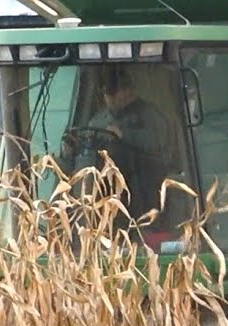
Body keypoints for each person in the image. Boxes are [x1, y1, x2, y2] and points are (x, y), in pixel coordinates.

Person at [61, 67, 174, 223]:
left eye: (116, 93)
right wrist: (72, 149)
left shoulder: (150, 115)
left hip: (143, 184)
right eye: (108, 94)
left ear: (129, 91)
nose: (111, 98)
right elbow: (90, 149)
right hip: (105, 186)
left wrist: (124, 135)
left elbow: (159, 142)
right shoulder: (98, 120)